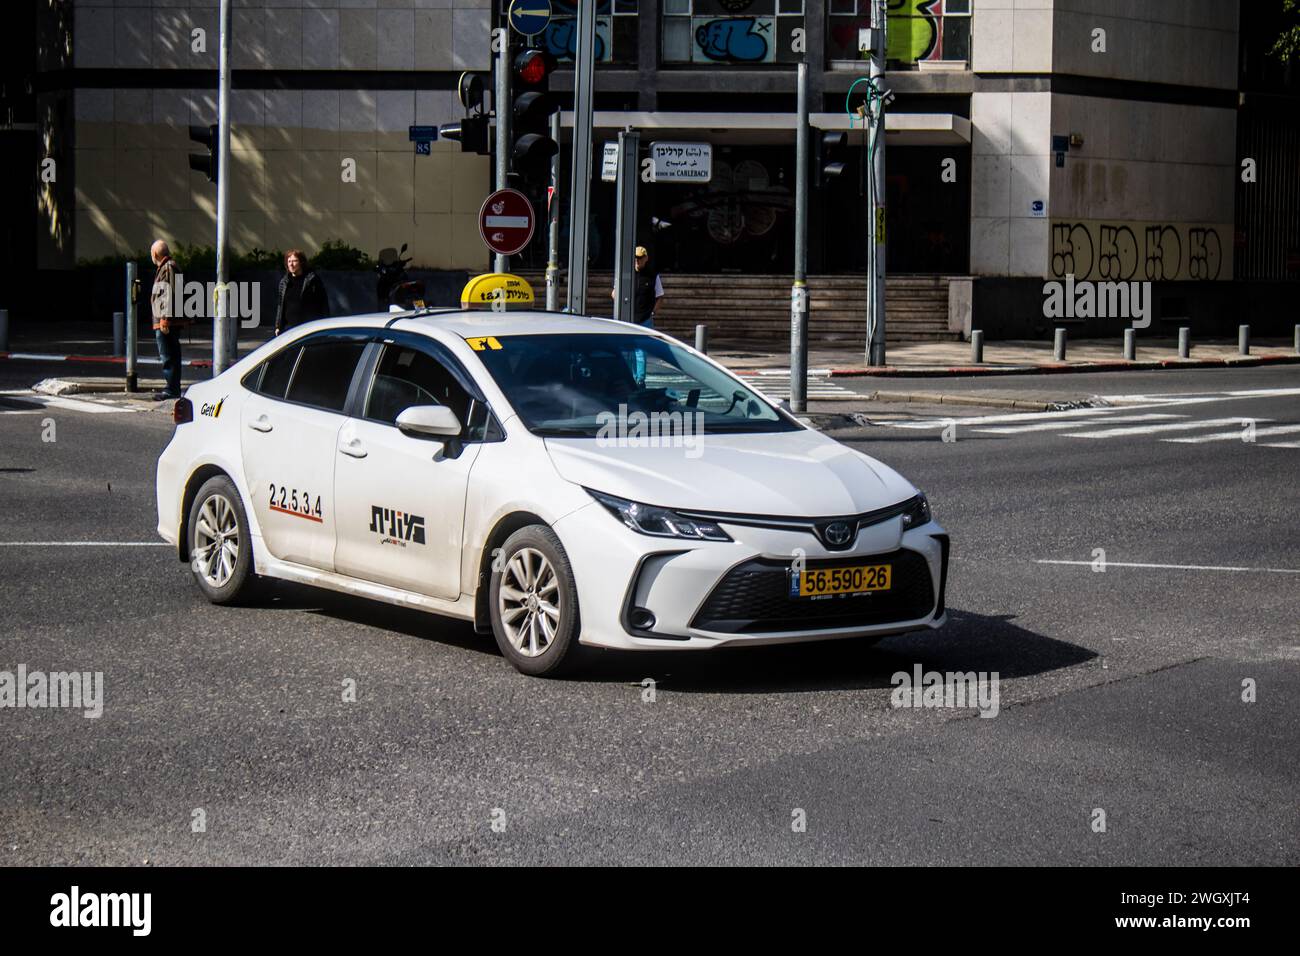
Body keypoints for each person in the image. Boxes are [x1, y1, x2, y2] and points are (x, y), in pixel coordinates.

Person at [149, 239, 184, 401]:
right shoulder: (169, 266)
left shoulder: (168, 267)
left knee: (168, 355)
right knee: (172, 354)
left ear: (155, 254)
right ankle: (173, 388)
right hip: (168, 319)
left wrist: (165, 319)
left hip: (166, 321)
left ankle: (171, 389)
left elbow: (168, 294)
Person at [273, 249, 330, 336]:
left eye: (295, 261)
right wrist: (278, 326)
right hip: (289, 328)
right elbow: (281, 306)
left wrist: (324, 325)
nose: (291, 264)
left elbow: (323, 303)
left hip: (307, 328)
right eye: (289, 261)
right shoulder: (284, 282)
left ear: (301, 263)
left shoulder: (312, 279)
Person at [609, 245, 664, 328]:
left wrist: (652, 313)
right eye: (635, 257)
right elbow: (614, 293)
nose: (637, 260)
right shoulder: (625, 274)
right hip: (627, 319)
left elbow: (660, 297)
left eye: (640, 257)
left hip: (645, 320)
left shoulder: (653, 276)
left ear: (646, 258)